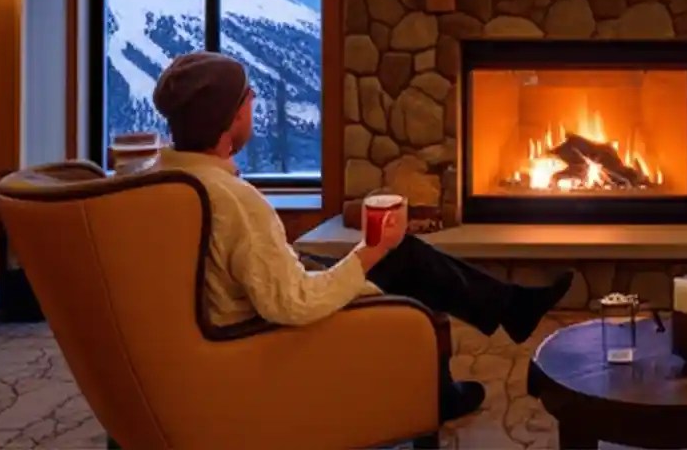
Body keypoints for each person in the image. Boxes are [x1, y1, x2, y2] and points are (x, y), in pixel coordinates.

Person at [150, 51, 572, 422]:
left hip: (244, 320)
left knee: (405, 257)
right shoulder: (234, 200)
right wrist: (371, 252)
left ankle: (499, 321)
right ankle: (493, 330)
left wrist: (364, 255)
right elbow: (294, 304)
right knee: (403, 265)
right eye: (247, 97)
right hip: (271, 340)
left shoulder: (168, 180)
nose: (254, 101)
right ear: (229, 117)